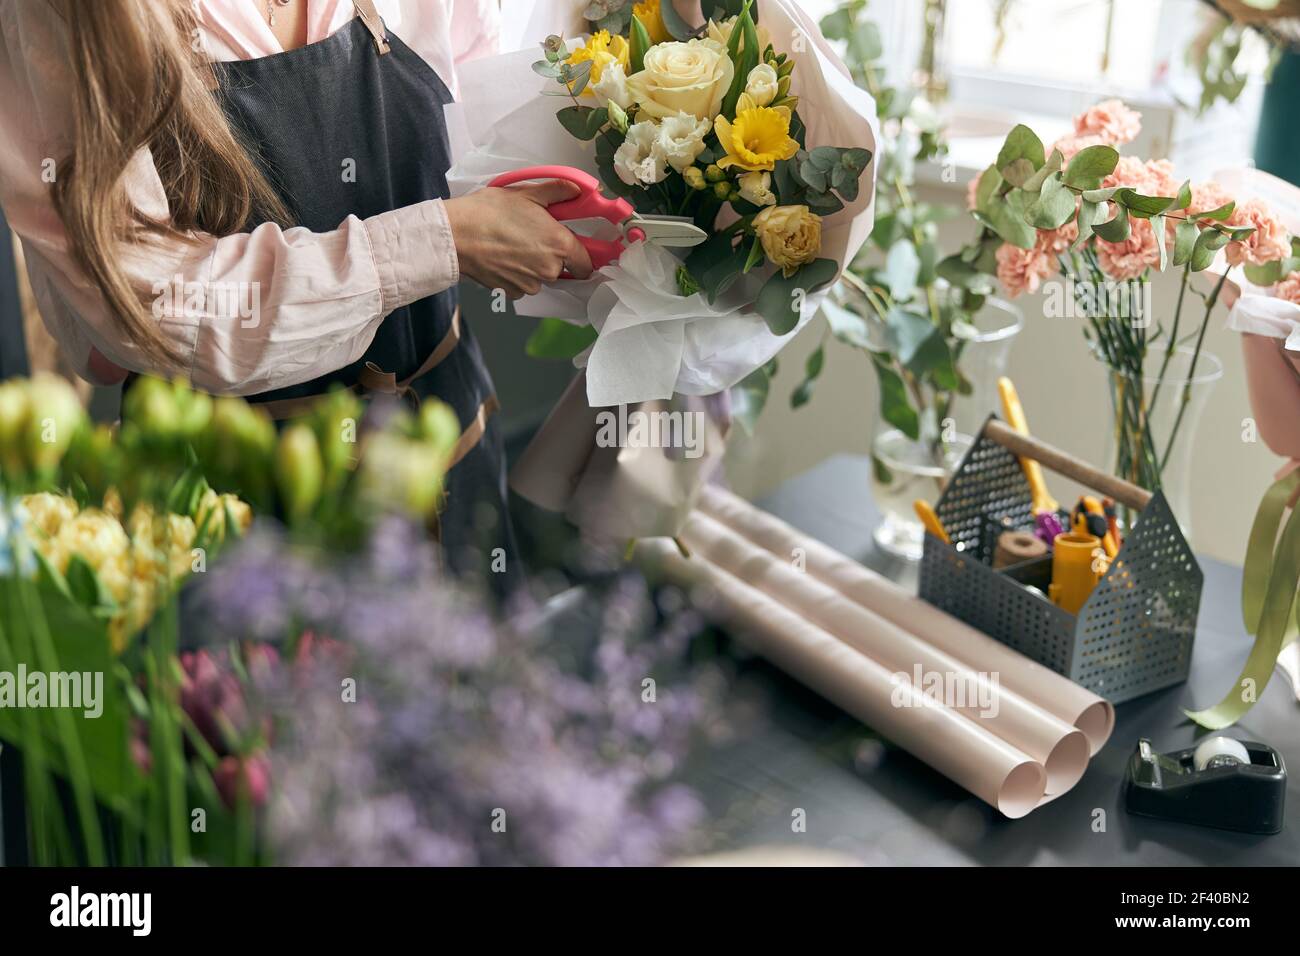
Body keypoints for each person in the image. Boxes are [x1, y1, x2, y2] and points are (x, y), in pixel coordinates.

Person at [0, 0, 594, 583]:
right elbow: (159, 305)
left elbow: (483, 109)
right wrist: (443, 242)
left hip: (451, 450)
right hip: (232, 526)